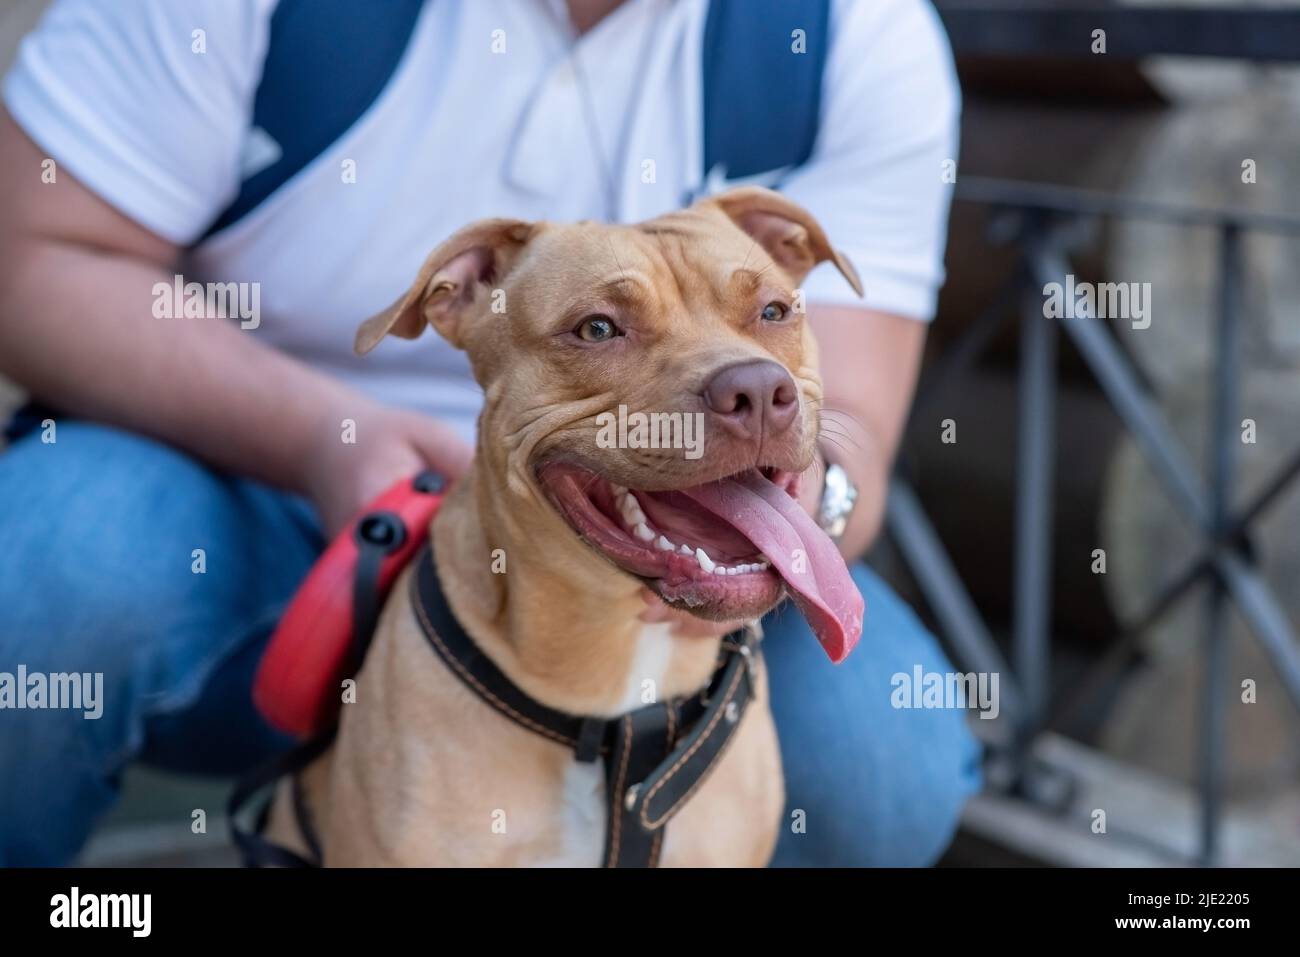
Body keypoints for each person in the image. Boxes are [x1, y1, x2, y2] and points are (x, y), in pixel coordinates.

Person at [0, 0, 978, 866]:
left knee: (883, 765)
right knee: (45, 575)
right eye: (601, 327)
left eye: (764, 312)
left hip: (688, 514)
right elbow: (28, 262)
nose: (750, 365)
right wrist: (322, 436)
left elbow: (846, 420)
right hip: (247, 485)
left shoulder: (851, 30)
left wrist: (807, 509)